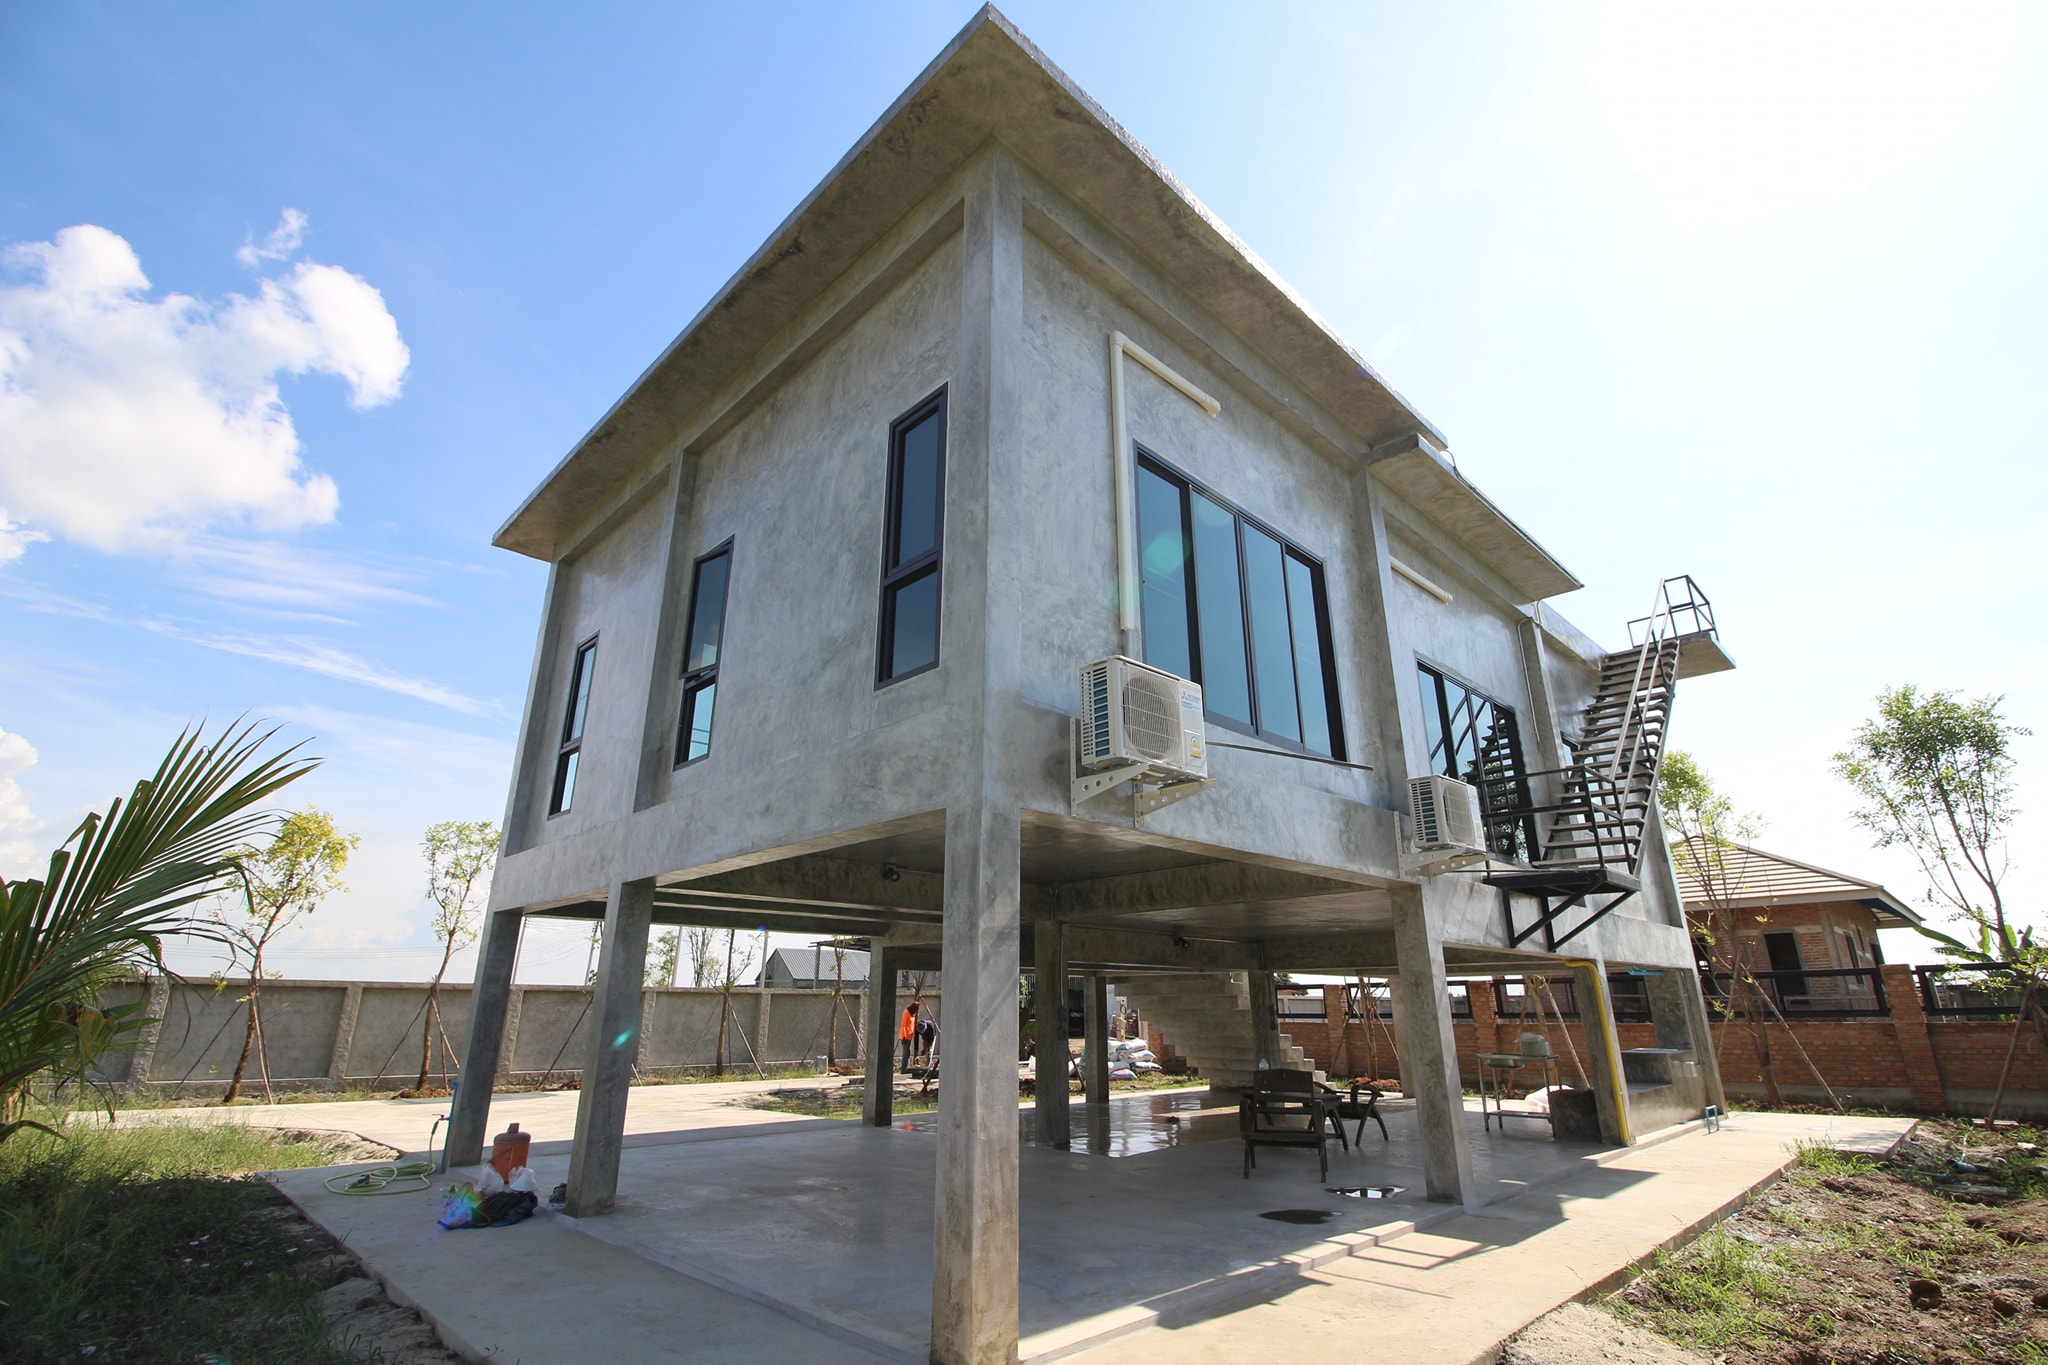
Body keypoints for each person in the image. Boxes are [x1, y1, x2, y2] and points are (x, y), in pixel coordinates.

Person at [898, 1000, 920, 1073]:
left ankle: (906, 1068)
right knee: (905, 1053)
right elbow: (903, 1025)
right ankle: (903, 1069)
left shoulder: (911, 1014)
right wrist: (904, 1035)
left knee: (908, 1052)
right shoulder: (906, 1013)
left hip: (909, 1036)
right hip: (905, 1036)